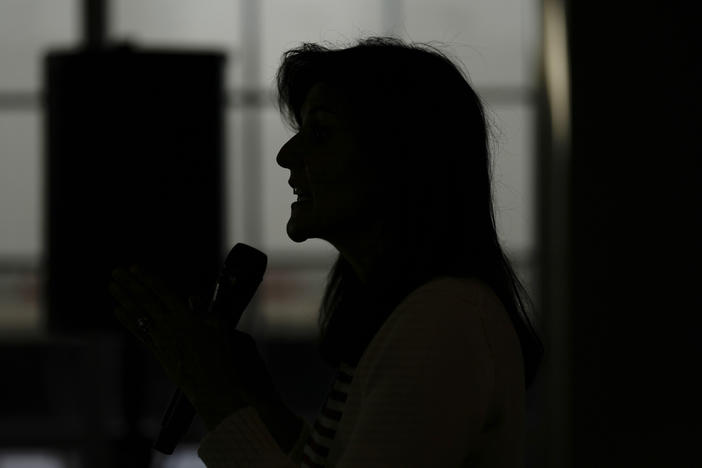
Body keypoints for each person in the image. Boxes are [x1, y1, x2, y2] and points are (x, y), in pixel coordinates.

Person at [109, 36, 543, 467]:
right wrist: (258, 401)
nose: (286, 155)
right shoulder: (415, 314)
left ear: (399, 157)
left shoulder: (443, 322)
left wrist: (214, 394)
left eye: (320, 132)